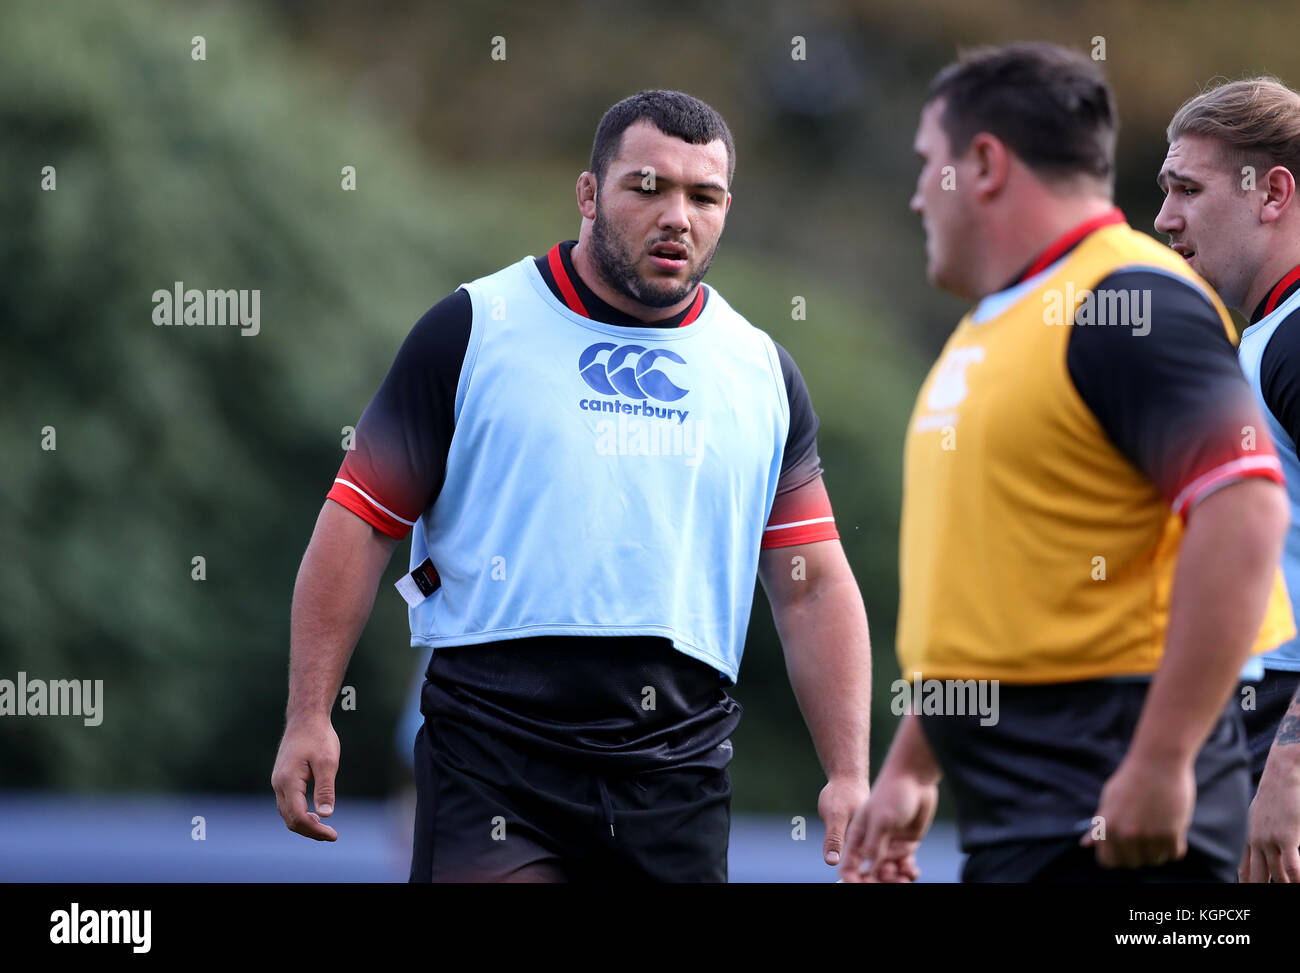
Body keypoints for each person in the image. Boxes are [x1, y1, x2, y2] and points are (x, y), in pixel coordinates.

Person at [270, 89, 873, 882]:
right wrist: (309, 714)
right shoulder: (472, 329)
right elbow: (359, 522)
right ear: (588, 194)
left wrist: (849, 771)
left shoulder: (760, 372)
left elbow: (812, 585)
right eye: (647, 187)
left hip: (677, 772)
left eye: (705, 196)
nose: (678, 217)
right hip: (492, 753)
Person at [840, 43, 1295, 884]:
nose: (915, 196)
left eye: (925, 166)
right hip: (1024, 816)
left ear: (983, 165)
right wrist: (913, 761)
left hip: (1120, 815)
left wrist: (1162, 761)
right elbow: (990, 592)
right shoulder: (995, 327)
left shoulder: (1132, 302)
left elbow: (1247, 511)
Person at [1155, 77, 1300, 883]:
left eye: (1187, 189)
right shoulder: (1265, 333)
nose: (1165, 218)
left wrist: (1290, 765)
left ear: (1271, 192)